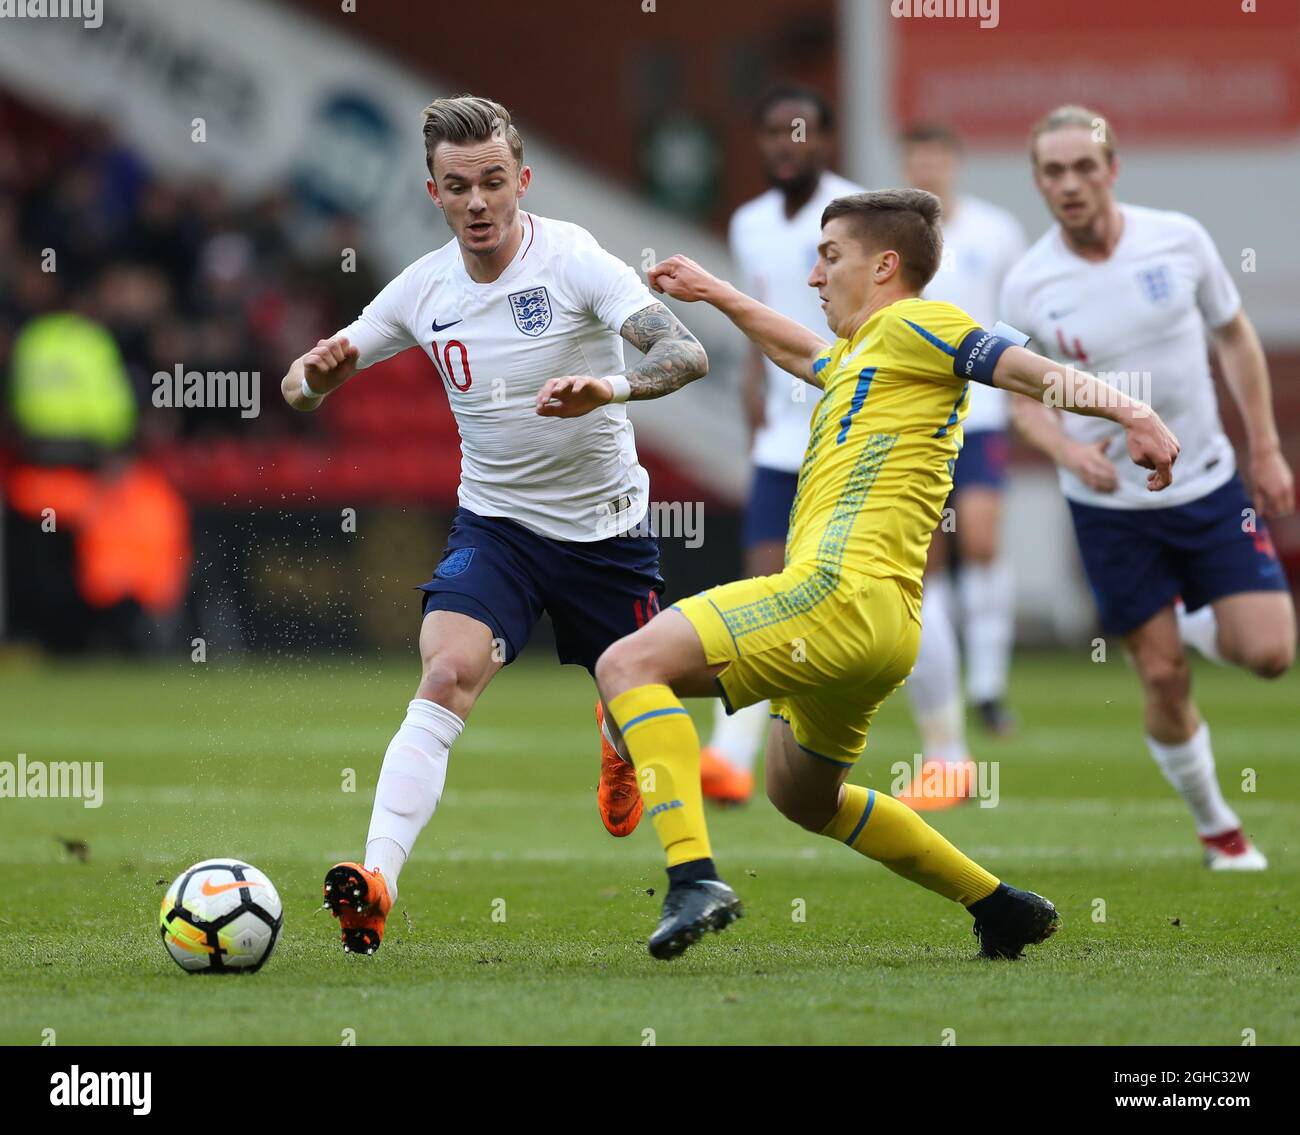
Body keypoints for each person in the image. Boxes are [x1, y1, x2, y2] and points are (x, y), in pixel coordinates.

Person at [546, 188, 1179, 959]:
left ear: (885, 266)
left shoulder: (920, 321)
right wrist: (717, 293)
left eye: (830, 256)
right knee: (801, 796)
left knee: (625, 661)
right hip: (886, 628)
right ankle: (997, 904)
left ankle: (693, 876)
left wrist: (1133, 415)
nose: (815, 276)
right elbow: (793, 349)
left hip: (834, 594)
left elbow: (1026, 370)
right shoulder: (867, 354)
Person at [279, 95, 708, 953]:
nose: (477, 202)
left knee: (638, 699)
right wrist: (315, 376)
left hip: (606, 534)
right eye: (456, 186)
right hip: (498, 528)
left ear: (522, 180)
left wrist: (610, 387)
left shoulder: (576, 261)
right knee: (445, 675)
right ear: (432, 192)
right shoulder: (423, 287)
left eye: (491, 182)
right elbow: (299, 384)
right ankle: (376, 880)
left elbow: (684, 353)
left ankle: (619, 736)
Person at [1003, 105, 1294, 870]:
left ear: (1112, 170)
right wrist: (1067, 448)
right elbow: (1018, 398)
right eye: (1053, 171)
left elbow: (1233, 335)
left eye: (1083, 167)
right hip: (1112, 511)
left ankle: (1192, 619)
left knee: (1269, 654)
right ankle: (1218, 829)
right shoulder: (1030, 282)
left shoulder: (1179, 239)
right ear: (1038, 182)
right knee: (1161, 677)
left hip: (1208, 487)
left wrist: (1265, 448)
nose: (1069, 184)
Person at [697, 84, 863, 805]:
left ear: (826, 139)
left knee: (871, 600)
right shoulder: (748, 223)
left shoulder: (861, 215)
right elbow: (759, 313)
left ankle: (950, 742)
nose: (784, 143)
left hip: (842, 432)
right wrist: (752, 385)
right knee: (763, 589)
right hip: (776, 441)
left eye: (799, 131)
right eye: (771, 131)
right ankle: (729, 755)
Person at [897, 126, 1027, 818]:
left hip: (978, 418)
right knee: (926, 563)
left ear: (955, 163)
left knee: (980, 538)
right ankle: (949, 731)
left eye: (938, 158)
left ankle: (988, 686)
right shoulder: (898, 237)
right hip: (918, 419)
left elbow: (1016, 317)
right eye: (917, 159)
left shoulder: (996, 231)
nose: (929, 167)